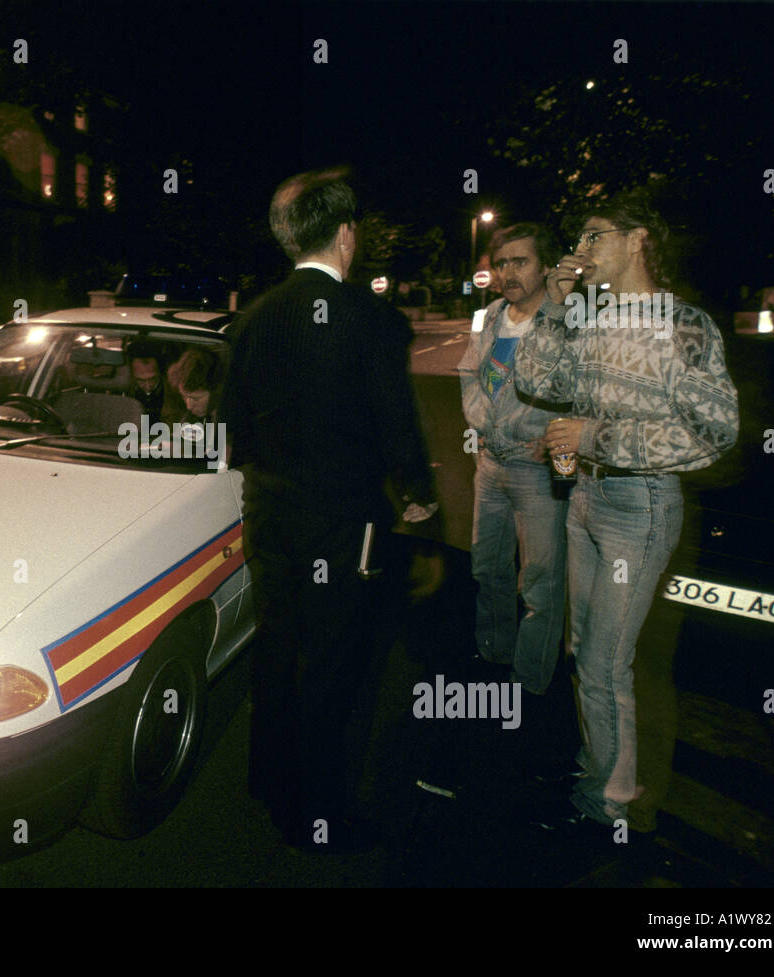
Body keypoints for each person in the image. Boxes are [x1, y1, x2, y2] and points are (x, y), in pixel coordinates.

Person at [219, 167, 438, 851]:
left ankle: (268, 780)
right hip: (342, 525)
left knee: (279, 649)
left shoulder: (250, 320)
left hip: (269, 515)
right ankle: (316, 814)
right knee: (335, 665)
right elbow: (396, 427)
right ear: (347, 234)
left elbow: (233, 433)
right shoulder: (369, 321)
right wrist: (421, 499)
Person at [513, 192, 738, 837]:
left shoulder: (682, 325)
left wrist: (596, 438)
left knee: (605, 663)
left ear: (637, 239)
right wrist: (552, 309)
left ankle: (608, 804)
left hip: (637, 507)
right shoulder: (586, 316)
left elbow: (716, 431)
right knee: (585, 649)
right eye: (577, 241)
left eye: (591, 238)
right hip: (582, 497)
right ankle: (597, 772)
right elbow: (536, 380)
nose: (577, 252)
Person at [458, 223, 569, 697]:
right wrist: (485, 422)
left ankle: (530, 683)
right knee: (488, 568)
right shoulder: (489, 317)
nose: (507, 272)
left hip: (537, 471)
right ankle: (493, 653)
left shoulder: (563, 317)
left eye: (519, 261)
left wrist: (547, 436)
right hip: (491, 465)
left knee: (541, 586)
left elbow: (572, 386)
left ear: (545, 265)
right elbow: (468, 372)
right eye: (501, 263)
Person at [165, 347, 223, 424]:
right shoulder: (190, 418)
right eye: (184, 396)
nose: (189, 406)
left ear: (217, 390)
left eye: (196, 399)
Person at [126, 340, 167, 421]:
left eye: (152, 379)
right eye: (140, 380)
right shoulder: (120, 395)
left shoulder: (174, 395)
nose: (147, 386)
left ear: (161, 372)